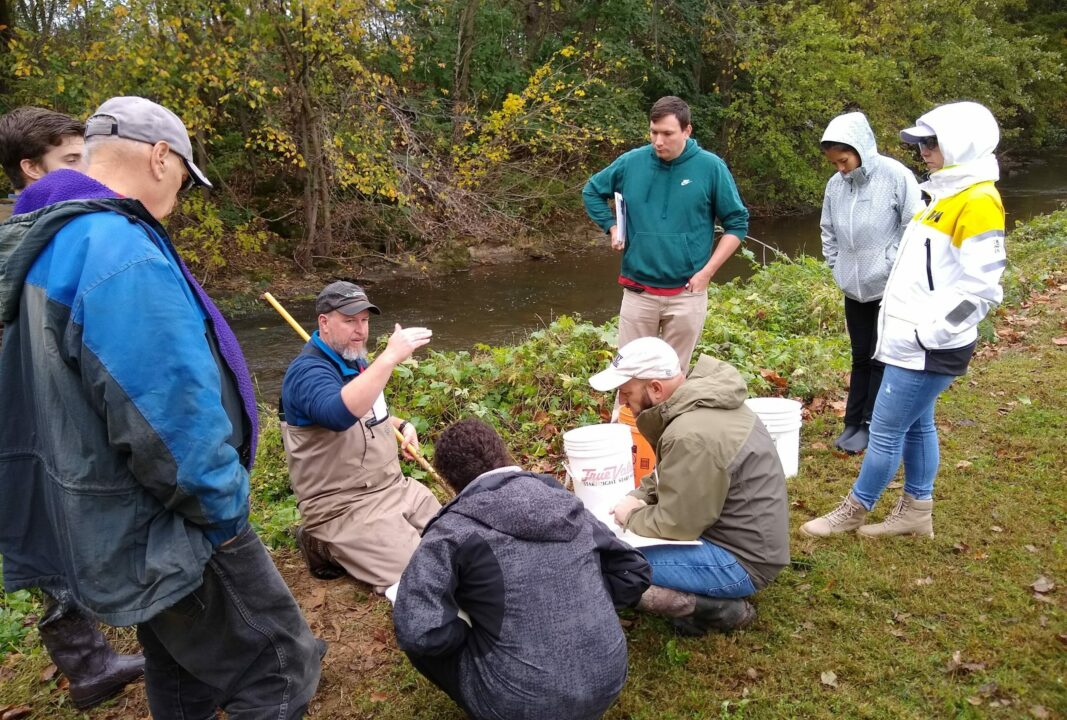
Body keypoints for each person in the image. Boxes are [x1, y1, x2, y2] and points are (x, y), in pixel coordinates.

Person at [0, 96, 324, 719]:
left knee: (183, 668)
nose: (179, 192)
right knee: (281, 668)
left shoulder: (57, 238)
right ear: (159, 157)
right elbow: (166, 420)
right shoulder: (118, 252)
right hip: (172, 525)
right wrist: (223, 508)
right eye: (182, 174)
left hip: (115, 518)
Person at [801, 101, 1007, 539]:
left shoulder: (978, 201)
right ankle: (916, 511)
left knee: (885, 430)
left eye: (931, 143)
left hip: (926, 346)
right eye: (920, 143)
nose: (923, 151)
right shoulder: (945, 195)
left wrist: (932, 334)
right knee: (917, 424)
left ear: (960, 144)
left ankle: (852, 511)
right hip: (908, 339)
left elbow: (983, 289)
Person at [0, 105, 146, 710]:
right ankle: (88, 666)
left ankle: (89, 660)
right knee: (44, 525)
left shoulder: (41, 233)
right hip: (25, 417)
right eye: (71, 159)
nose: (88, 169)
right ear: (31, 169)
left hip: (34, 410)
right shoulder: (28, 240)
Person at [393, 418, 651, 720]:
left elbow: (418, 630)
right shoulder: (565, 504)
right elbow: (633, 571)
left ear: (450, 482)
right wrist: (582, 600)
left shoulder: (452, 530)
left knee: (415, 625)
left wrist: (471, 634)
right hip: (607, 681)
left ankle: (494, 691)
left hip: (519, 706)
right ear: (503, 453)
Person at [589, 337, 790, 635]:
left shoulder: (691, 434)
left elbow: (678, 524)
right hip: (739, 539)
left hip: (743, 562)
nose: (622, 402)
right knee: (617, 552)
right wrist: (638, 496)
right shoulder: (699, 403)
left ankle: (715, 610)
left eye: (626, 393)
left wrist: (630, 516)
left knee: (614, 564)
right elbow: (670, 473)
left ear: (655, 389)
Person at [279, 281, 441, 593]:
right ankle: (321, 543)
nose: (360, 330)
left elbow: (366, 410)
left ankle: (370, 542)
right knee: (422, 573)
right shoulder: (307, 373)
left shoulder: (354, 359)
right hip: (345, 507)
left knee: (461, 541)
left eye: (364, 320)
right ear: (324, 322)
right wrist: (388, 358)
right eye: (350, 320)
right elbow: (337, 414)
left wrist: (403, 425)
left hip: (396, 488)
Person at [582, 95, 749, 377]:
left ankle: (669, 409)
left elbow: (737, 224)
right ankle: (628, 409)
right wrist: (612, 226)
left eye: (667, 134)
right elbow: (592, 191)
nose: (658, 141)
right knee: (628, 375)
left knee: (671, 378)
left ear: (687, 131)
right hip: (638, 292)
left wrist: (707, 273)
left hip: (687, 293)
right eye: (654, 132)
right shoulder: (631, 163)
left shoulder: (711, 168)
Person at [820, 111, 922, 454]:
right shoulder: (836, 186)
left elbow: (914, 225)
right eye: (835, 163)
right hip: (853, 286)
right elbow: (827, 229)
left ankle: (870, 424)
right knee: (860, 354)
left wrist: (891, 264)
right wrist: (837, 266)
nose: (840, 169)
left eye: (844, 161)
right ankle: (852, 421)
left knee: (880, 356)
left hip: (888, 286)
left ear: (860, 149)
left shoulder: (896, 176)